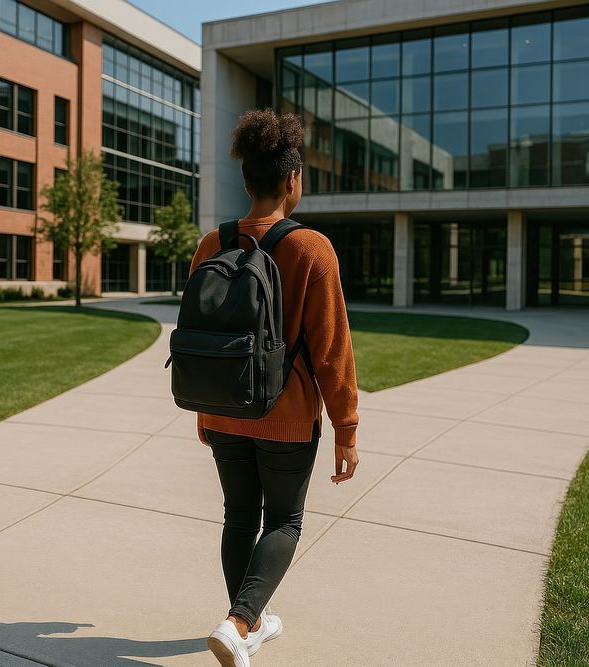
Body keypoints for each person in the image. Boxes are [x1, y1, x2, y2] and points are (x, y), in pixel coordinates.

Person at [190, 109, 360, 667]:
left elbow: (199, 337)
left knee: (239, 514)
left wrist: (203, 411)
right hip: (286, 416)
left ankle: (251, 620)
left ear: (246, 181)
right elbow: (333, 351)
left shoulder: (211, 243)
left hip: (221, 411)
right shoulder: (312, 250)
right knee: (284, 519)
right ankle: (239, 623)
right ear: (292, 181)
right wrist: (347, 429)